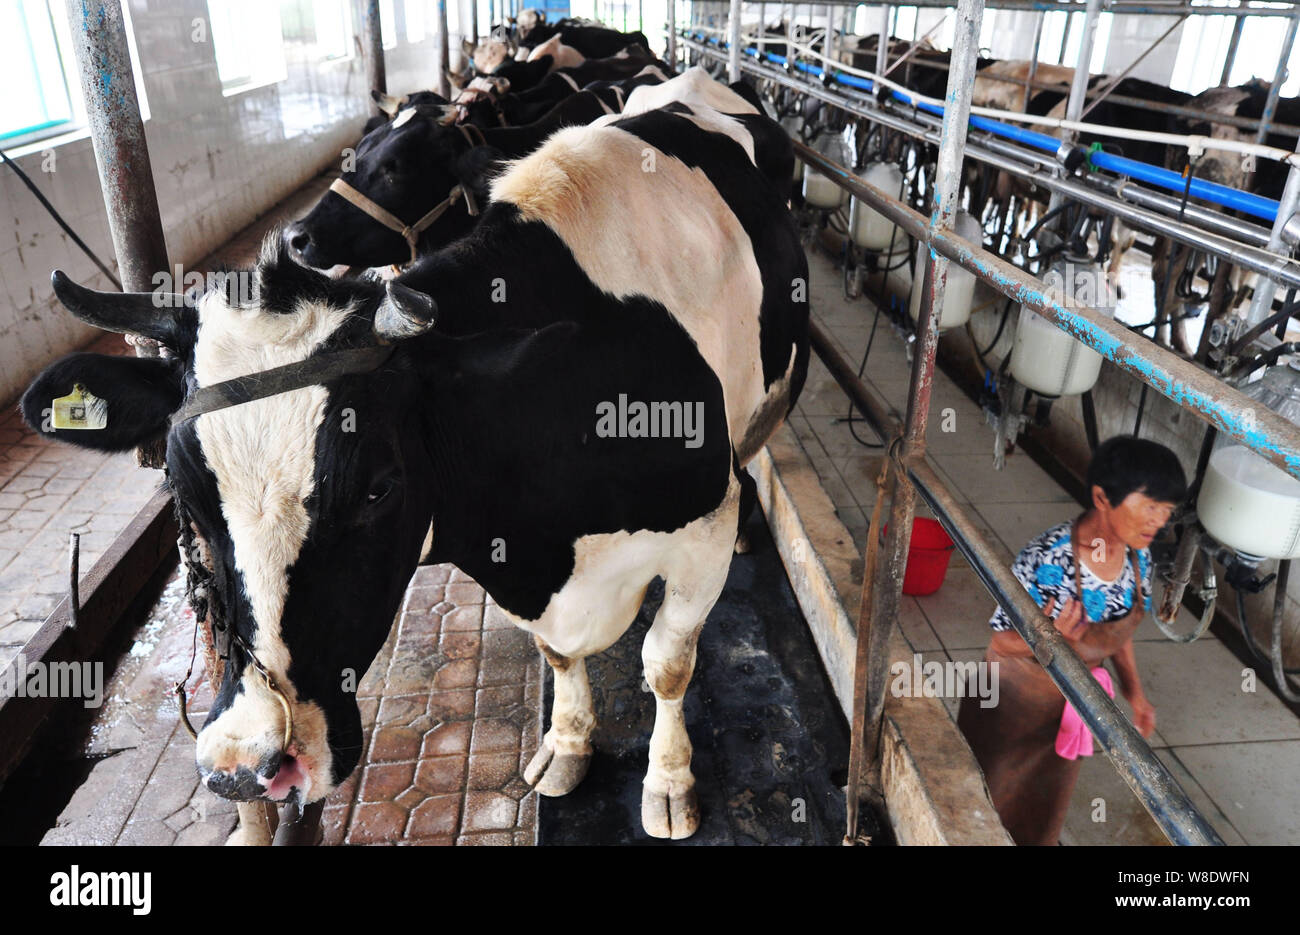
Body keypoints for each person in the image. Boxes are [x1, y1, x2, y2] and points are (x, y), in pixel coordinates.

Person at [957, 435, 1186, 846]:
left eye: (1166, 511)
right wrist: (1046, 638)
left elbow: (1118, 634)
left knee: (1040, 808)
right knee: (979, 797)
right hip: (1008, 701)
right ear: (1102, 498)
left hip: (1068, 708)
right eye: (1150, 507)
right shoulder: (1049, 558)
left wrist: (1135, 695)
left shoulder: (1139, 557)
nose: (1159, 521)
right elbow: (1002, 642)